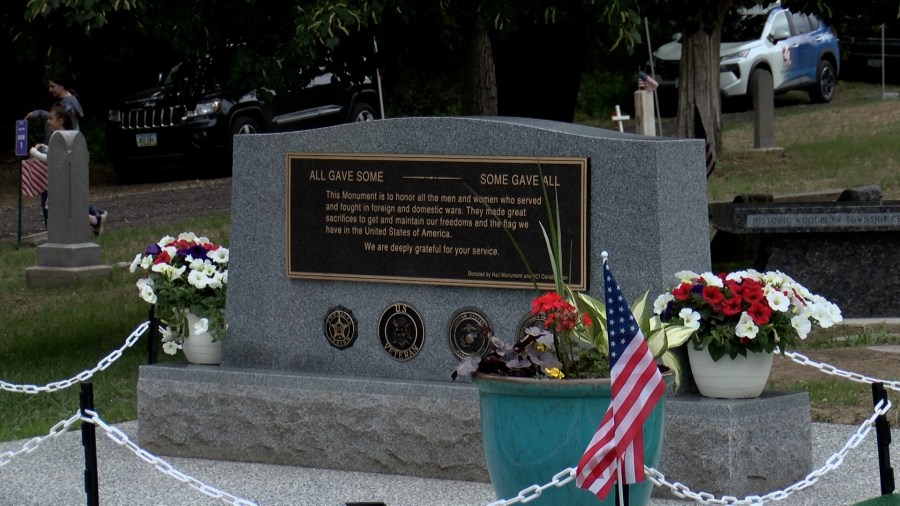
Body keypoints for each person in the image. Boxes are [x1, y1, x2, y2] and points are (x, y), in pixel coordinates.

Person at [28, 105, 108, 235]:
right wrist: (45, 147)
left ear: (60, 120)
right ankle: (94, 220)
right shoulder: (66, 135)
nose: (48, 121)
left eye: (51, 118)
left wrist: (34, 152)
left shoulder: (59, 136)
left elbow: (52, 159)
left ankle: (88, 222)